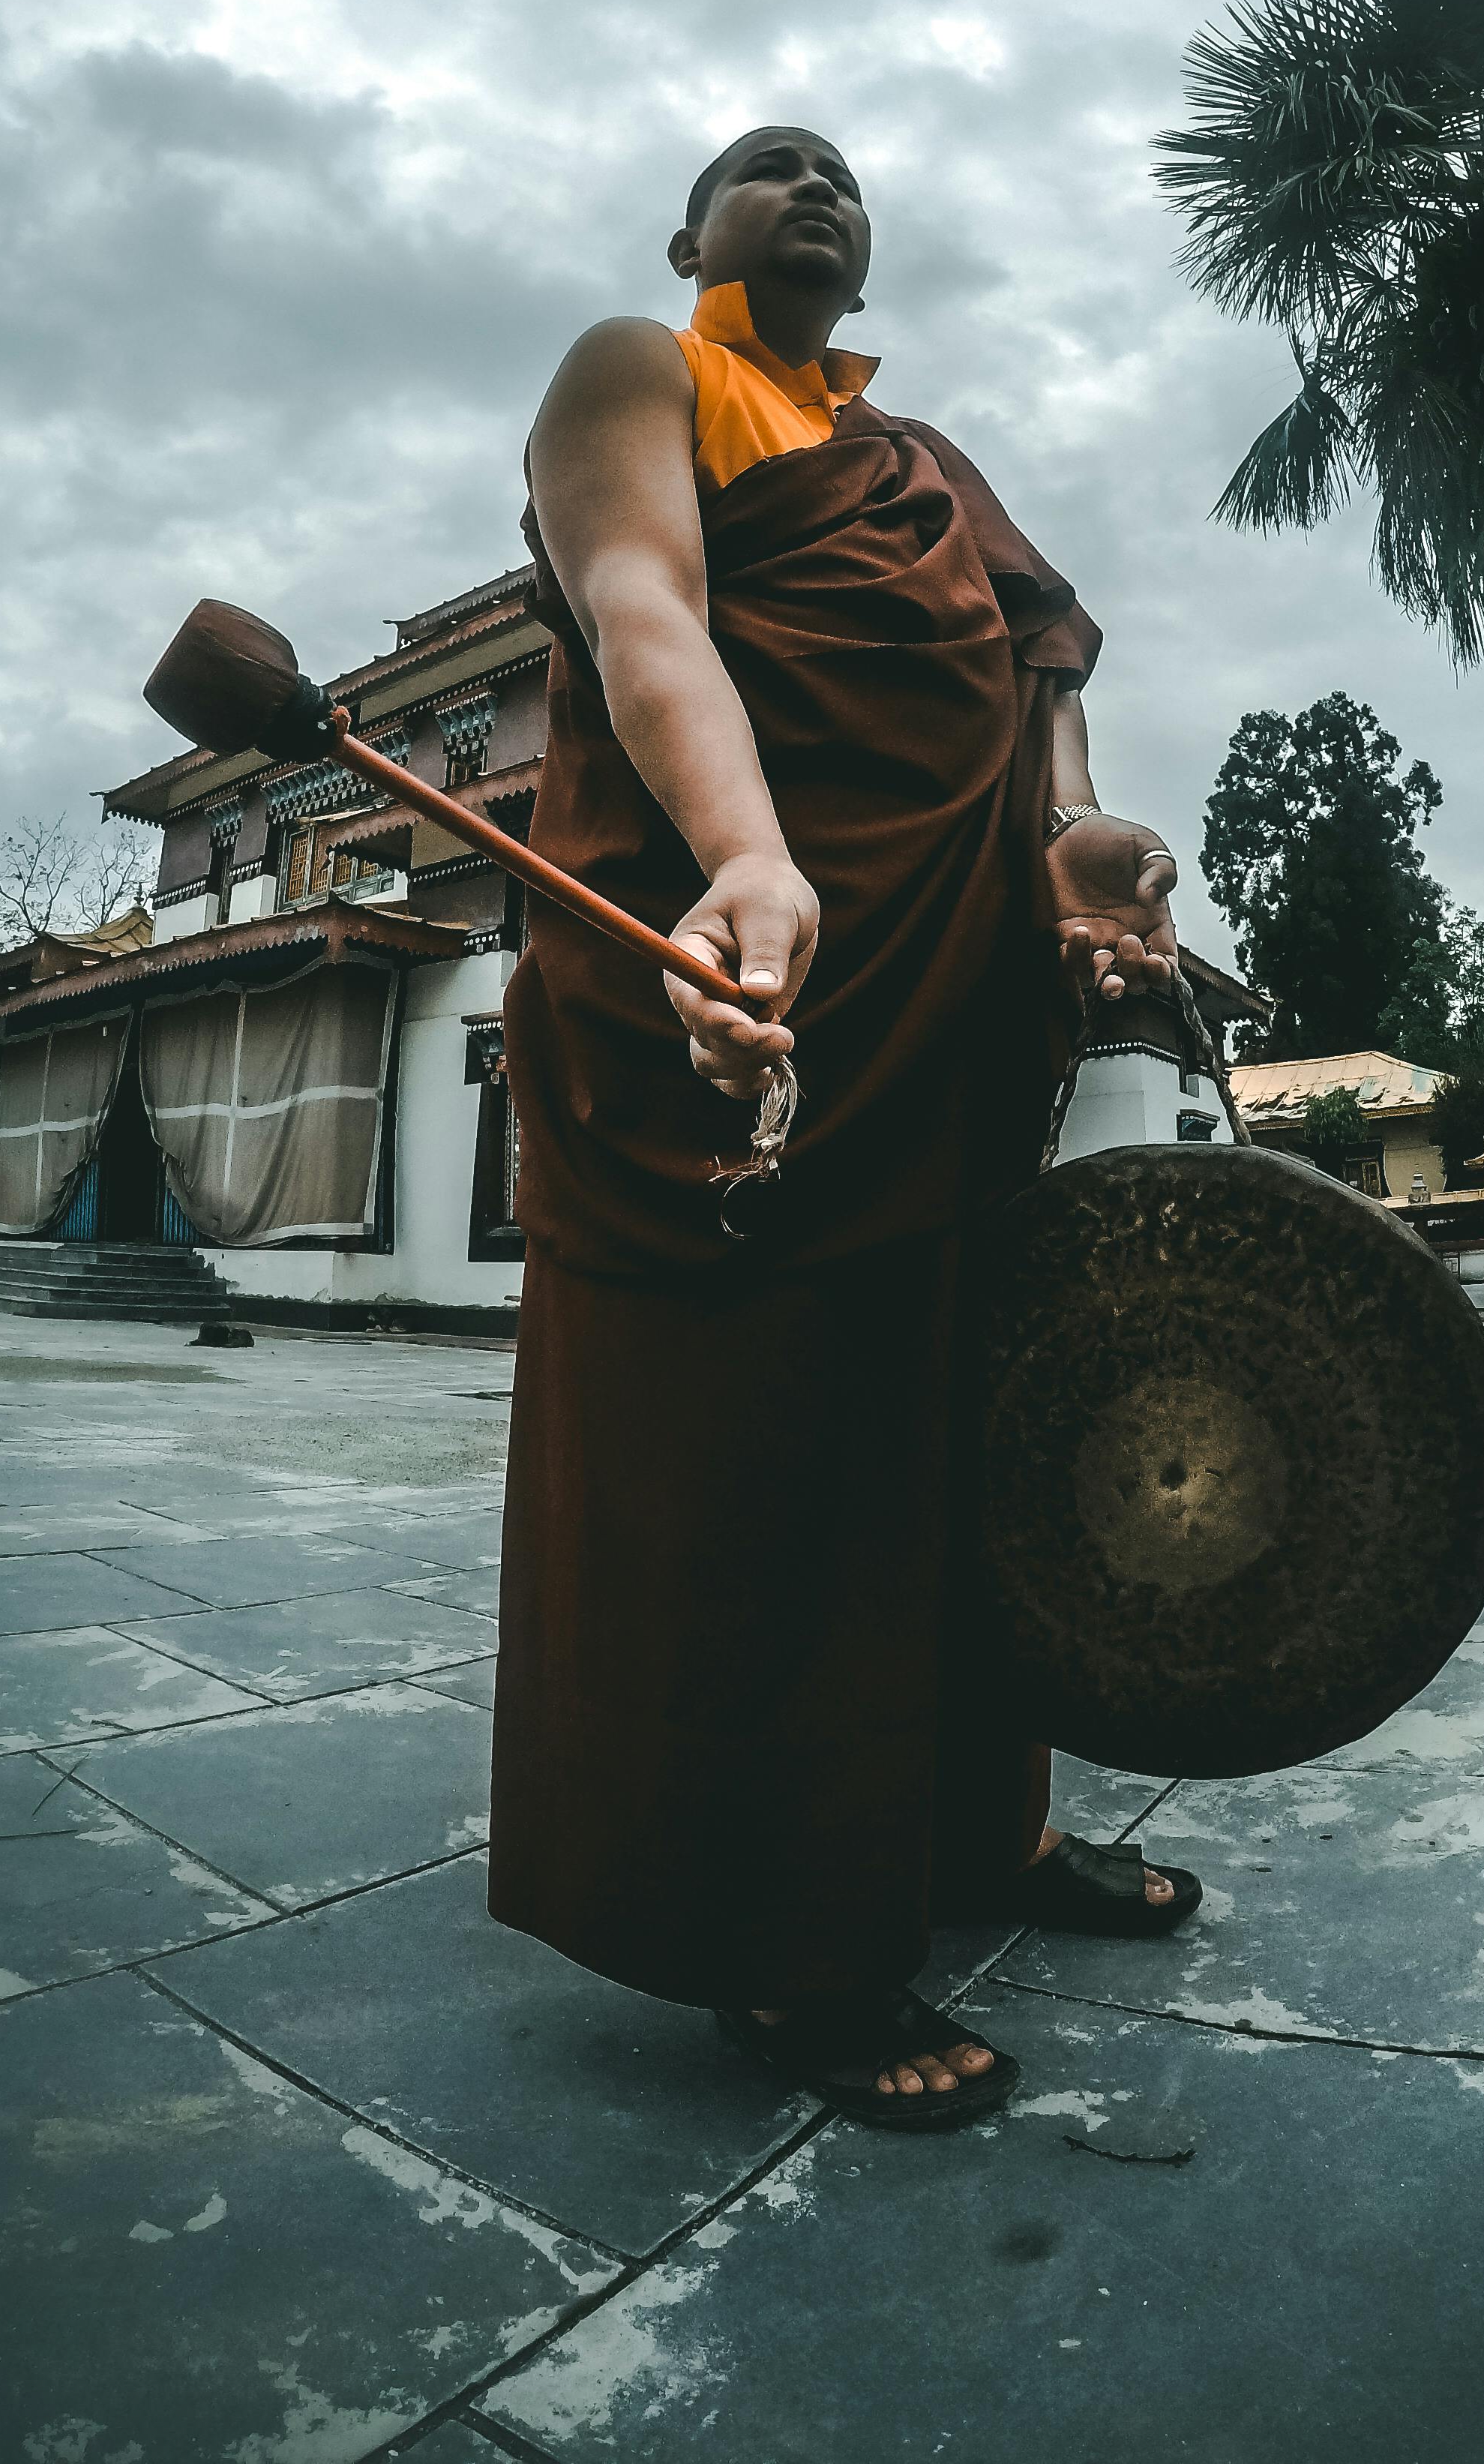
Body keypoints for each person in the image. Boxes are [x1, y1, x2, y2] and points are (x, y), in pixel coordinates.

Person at [491, 125, 1202, 2136]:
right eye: (762, 166)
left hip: (950, 1013)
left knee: (969, 1439)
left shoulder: (935, 478)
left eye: (843, 176)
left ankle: (986, 1829)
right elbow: (642, 606)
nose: (813, 186)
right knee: (772, 1462)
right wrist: (745, 855)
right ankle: (789, 1937)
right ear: (686, 232)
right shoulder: (642, 366)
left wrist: (1087, 857)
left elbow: (1032, 731)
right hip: (747, 980)